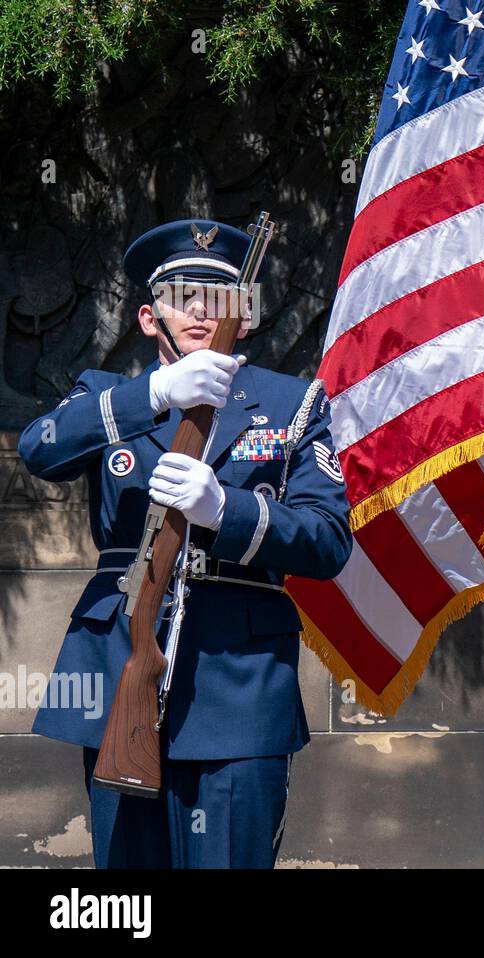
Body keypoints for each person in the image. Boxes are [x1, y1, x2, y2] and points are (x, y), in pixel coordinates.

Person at [19, 218, 352, 868]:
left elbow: (327, 539)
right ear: (148, 317)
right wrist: (153, 394)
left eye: (221, 296)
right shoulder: (108, 395)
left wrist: (227, 509)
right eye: (182, 294)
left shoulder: (293, 406)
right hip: (121, 672)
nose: (202, 310)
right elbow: (40, 448)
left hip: (239, 687)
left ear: (245, 316)